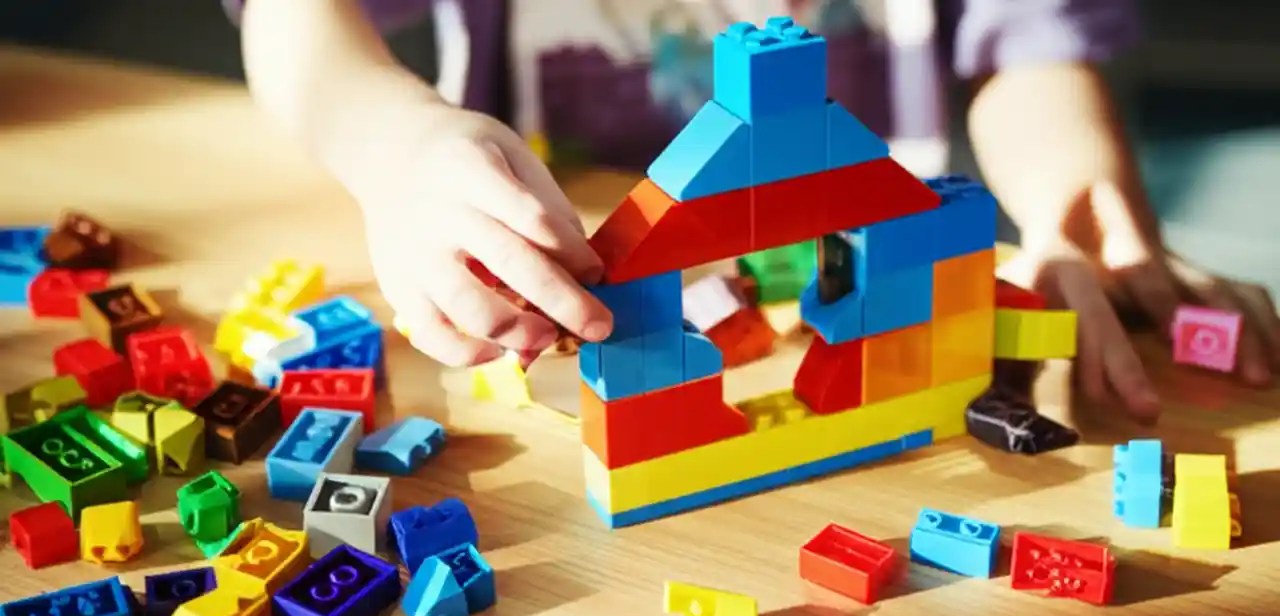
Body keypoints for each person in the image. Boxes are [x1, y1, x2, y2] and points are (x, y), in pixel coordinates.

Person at [228, 0, 1280, 423]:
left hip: (849, 299)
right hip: (569, 283)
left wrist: (1078, 213)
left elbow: (1032, 47)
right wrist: (389, 142)